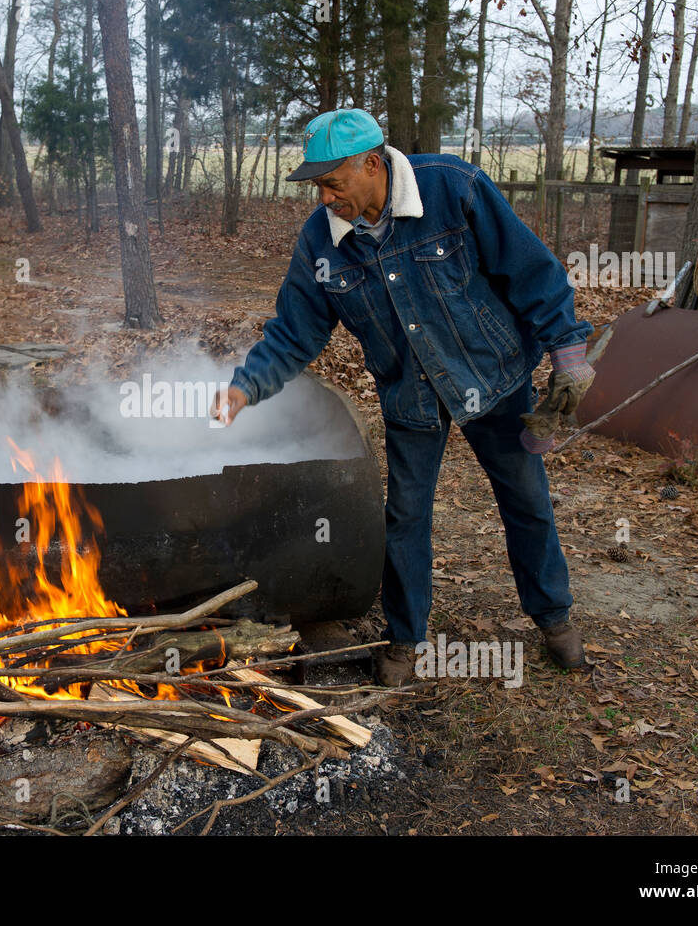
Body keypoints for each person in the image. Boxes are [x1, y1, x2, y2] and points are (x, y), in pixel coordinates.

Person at [212, 108, 595, 686]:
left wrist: (568, 351)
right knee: (406, 515)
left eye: (332, 182)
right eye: (317, 185)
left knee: (526, 500)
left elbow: (530, 270)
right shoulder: (323, 240)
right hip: (410, 394)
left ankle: (553, 617)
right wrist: (245, 387)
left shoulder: (452, 187)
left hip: (491, 373)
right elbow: (296, 330)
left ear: (373, 164)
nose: (324, 198)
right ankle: (405, 638)